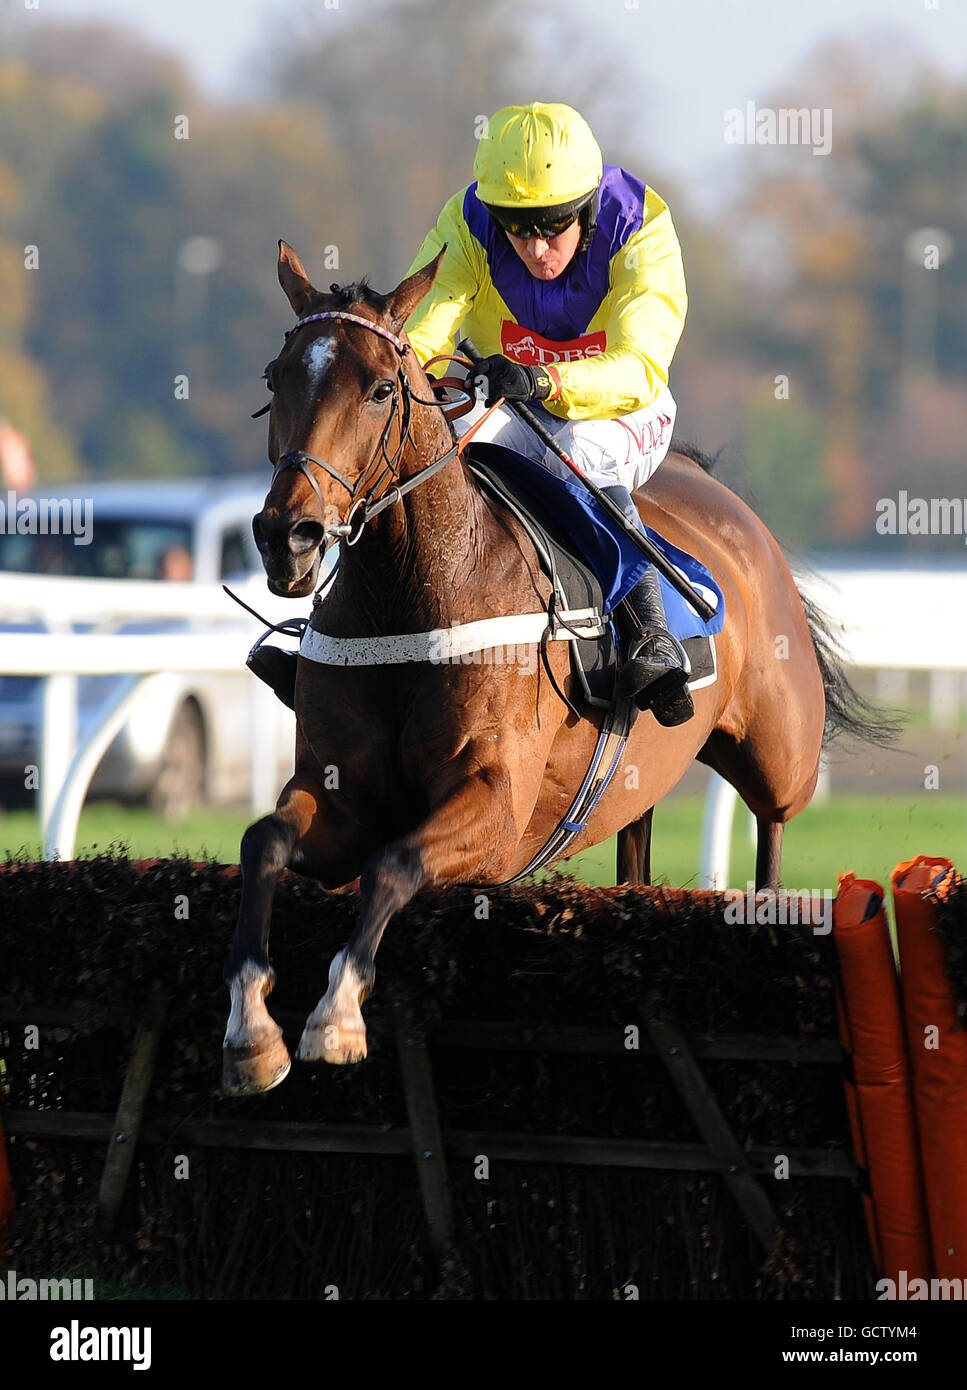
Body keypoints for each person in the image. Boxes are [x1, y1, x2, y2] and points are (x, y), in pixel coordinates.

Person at [403, 101, 693, 725]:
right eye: (518, 230)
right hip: (509, 395)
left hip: (623, 409)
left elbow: (640, 367)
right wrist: (396, 373)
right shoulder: (469, 222)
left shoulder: (639, 226)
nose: (535, 250)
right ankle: (349, 630)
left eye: (552, 228)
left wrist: (540, 378)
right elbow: (426, 329)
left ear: (587, 208)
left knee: (580, 454)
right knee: (422, 447)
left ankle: (651, 634)